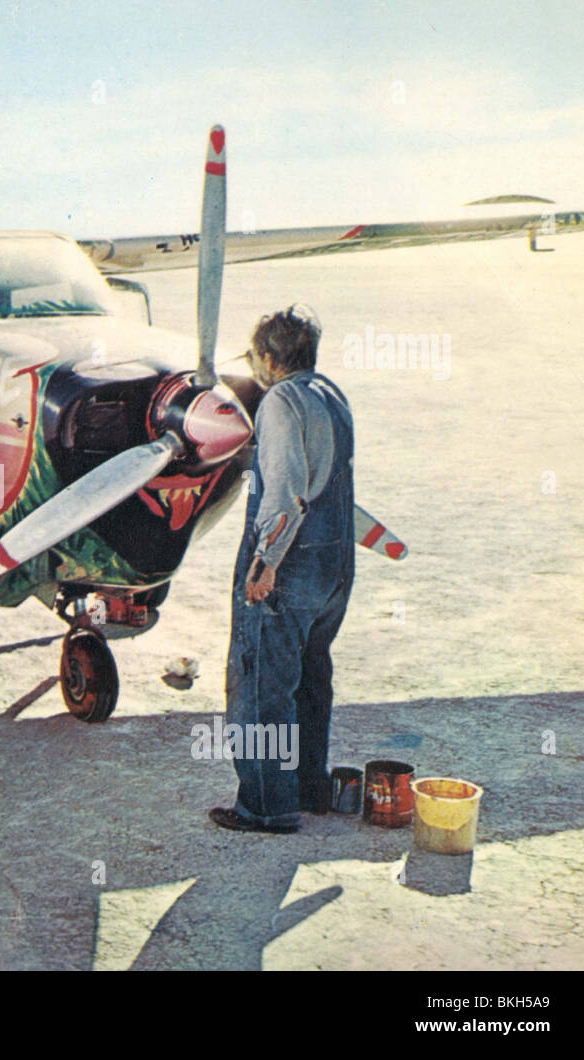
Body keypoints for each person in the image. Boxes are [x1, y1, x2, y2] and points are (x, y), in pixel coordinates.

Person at [209, 304, 355, 834]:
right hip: (335, 564)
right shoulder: (332, 396)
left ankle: (268, 806)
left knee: (260, 683)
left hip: (291, 565)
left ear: (270, 358)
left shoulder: (279, 403)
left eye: (254, 356)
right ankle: (310, 787)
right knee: (311, 675)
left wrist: (265, 563)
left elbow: (286, 491)